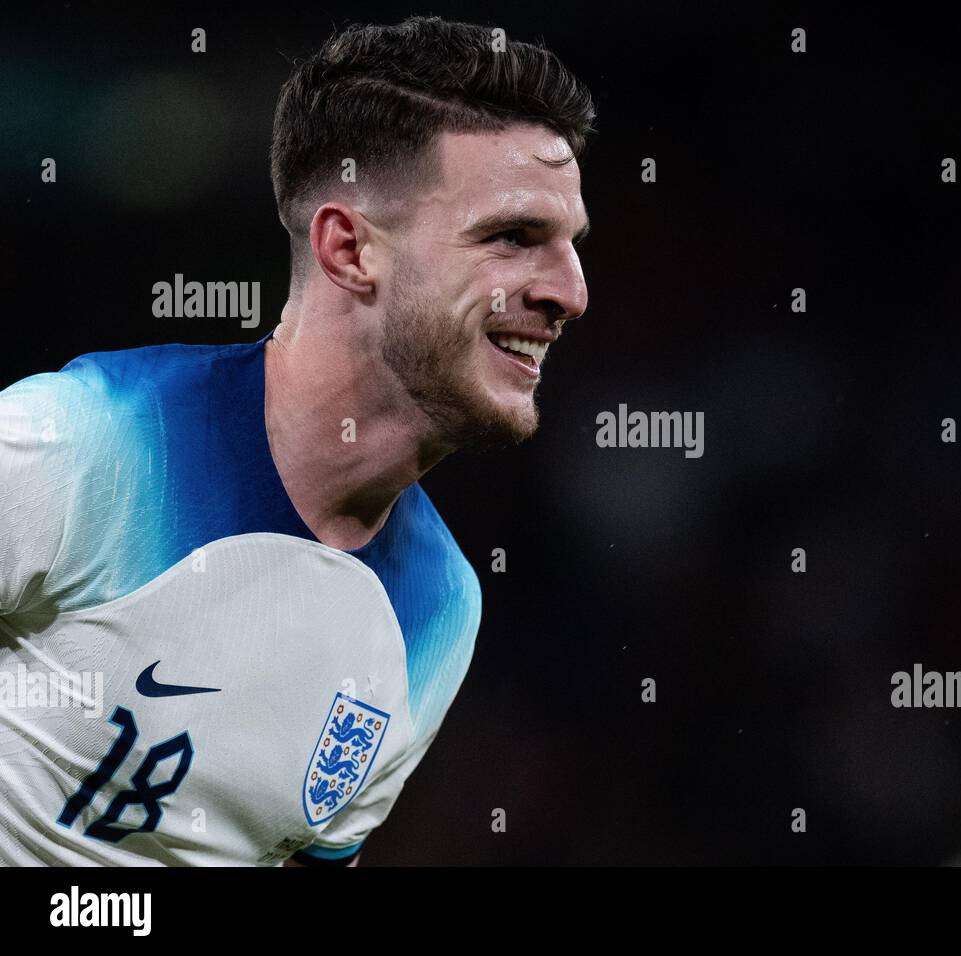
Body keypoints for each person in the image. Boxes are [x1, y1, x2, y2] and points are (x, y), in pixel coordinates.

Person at [0, 15, 594, 866]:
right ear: (349, 249)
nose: (570, 293)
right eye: (512, 237)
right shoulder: (79, 445)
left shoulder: (438, 609)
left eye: (571, 245)